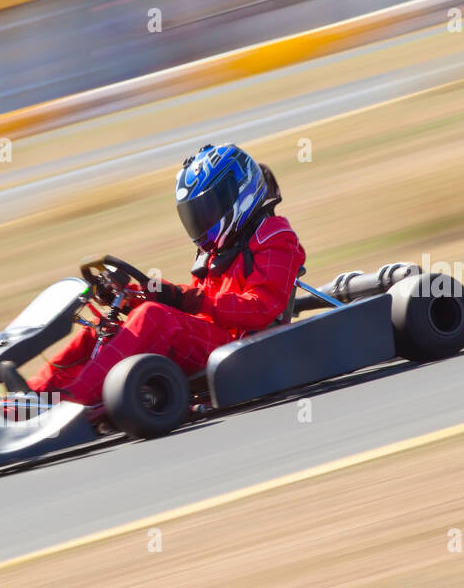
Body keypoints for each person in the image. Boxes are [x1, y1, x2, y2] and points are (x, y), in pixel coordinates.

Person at [28, 143, 306, 405]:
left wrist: (185, 299)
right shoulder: (217, 250)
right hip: (214, 338)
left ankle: (72, 403)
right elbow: (200, 302)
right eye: (196, 213)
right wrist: (132, 296)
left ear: (239, 193)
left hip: (244, 349)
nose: (201, 220)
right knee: (103, 327)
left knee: (154, 318)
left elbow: (261, 308)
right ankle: (34, 395)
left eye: (208, 209)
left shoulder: (274, 236)